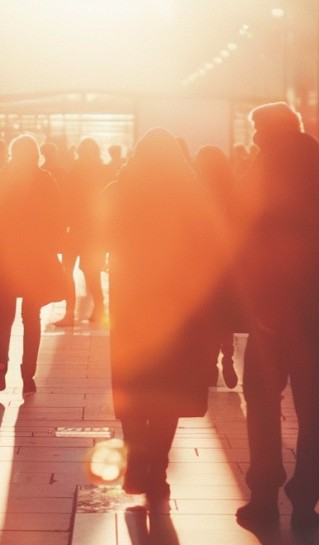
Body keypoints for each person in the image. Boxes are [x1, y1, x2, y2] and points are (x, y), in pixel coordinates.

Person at [231, 103, 319, 531]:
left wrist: (255, 301)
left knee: (262, 404)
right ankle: (306, 499)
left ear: (270, 132)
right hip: (318, 312)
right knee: (314, 409)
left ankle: (265, 494)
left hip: (273, 312)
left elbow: (247, 237)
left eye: (257, 129)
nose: (254, 137)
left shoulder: (263, 172)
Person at [105, 128, 225, 504]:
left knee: (132, 386)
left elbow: (102, 235)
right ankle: (156, 468)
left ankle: (136, 463)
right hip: (176, 304)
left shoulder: (119, 189)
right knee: (168, 390)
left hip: (131, 303)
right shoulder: (192, 194)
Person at [0, 134, 63, 396]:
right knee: (31, 317)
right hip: (35, 257)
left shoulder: (0, 176)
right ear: (35, 154)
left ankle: (0, 363)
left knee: (3, 315)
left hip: (5, 253)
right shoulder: (45, 180)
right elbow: (57, 217)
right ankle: (28, 372)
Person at [194, 145, 239, 389]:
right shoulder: (232, 187)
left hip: (204, 264)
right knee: (225, 316)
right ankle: (228, 357)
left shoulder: (197, 189)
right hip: (227, 264)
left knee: (208, 317)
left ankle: (210, 366)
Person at [56, 137, 110, 326]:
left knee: (67, 270)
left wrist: (62, 226)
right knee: (91, 271)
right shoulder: (103, 171)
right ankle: (100, 310)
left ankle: (69, 313)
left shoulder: (75, 170)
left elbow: (66, 200)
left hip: (74, 228)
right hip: (93, 230)